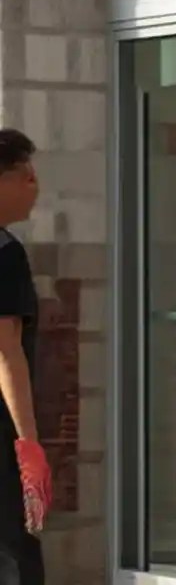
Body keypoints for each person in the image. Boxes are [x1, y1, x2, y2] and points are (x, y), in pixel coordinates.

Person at [0, 129, 49, 585]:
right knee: (17, 552)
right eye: (26, 176)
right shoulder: (5, 253)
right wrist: (28, 447)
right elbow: (6, 353)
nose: (35, 187)